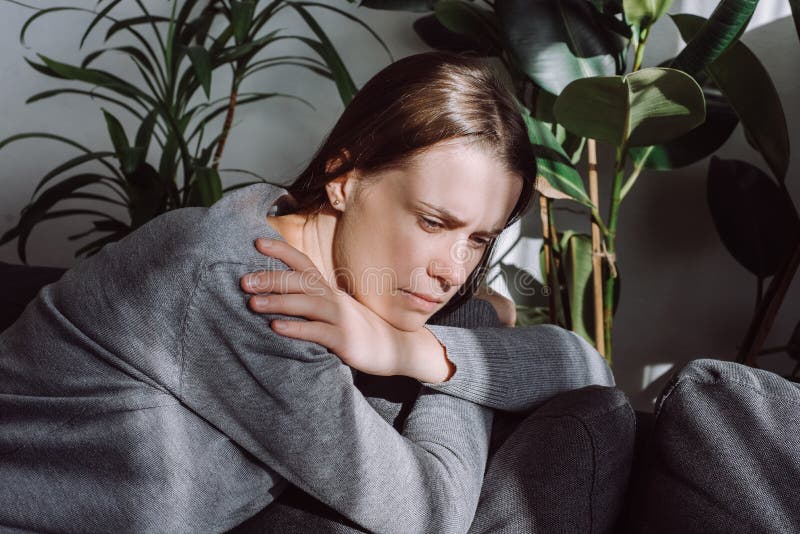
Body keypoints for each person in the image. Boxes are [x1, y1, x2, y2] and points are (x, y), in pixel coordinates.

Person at [0, 52, 614, 533]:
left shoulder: (365, 274)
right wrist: (469, 333)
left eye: (479, 239)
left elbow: (589, 370)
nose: (452, 269)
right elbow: (429, 514)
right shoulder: (255, 290)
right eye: (432, 221)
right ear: (344, 179)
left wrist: (417, 353)